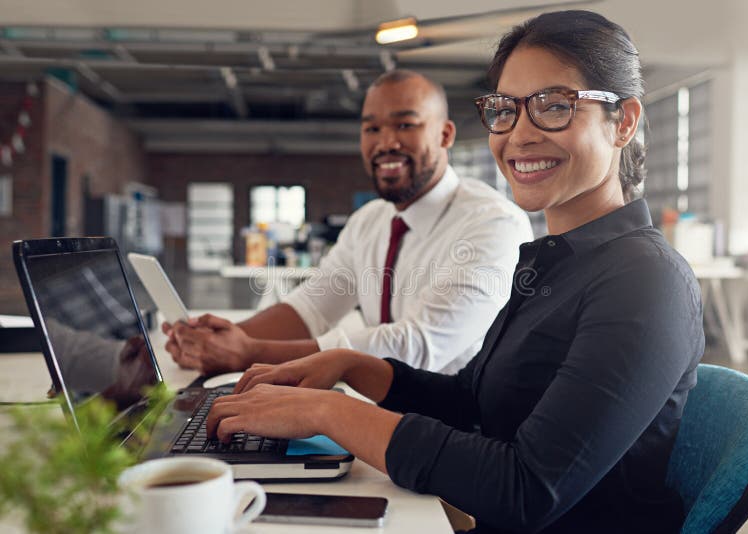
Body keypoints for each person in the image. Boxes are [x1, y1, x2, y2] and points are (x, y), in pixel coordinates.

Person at [206, 11, 704, 533]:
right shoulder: (561, 260)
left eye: (554, 107)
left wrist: (327, 414)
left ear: (622, 121)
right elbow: (472, 400)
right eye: (505, 111)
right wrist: (349, 365)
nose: (519, 135)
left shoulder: (645, 282)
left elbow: (526, 490)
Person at [165, 69, 533, 376]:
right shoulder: (369, 221)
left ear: (445, 134)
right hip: (385, 417)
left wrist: (249, 352)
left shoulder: (493, 224)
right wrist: (218, 341)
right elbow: (310, 309)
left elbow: (416, 347)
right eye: (371, 129)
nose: (386, 142)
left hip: (463, 433)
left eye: (405, 124)